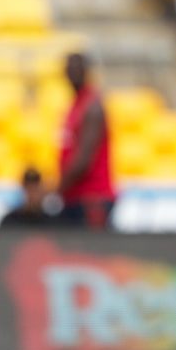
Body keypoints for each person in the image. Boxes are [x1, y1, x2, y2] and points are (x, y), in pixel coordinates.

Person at [55, 52, 116, 229]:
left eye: (77, 68)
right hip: (75, 198)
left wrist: (56, 189)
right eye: (69, 69)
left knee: (90, 253)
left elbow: (83, 160)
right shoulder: (75, 105)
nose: (73, 73)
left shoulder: (92, 107)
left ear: (86, 72)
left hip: (92, 199)